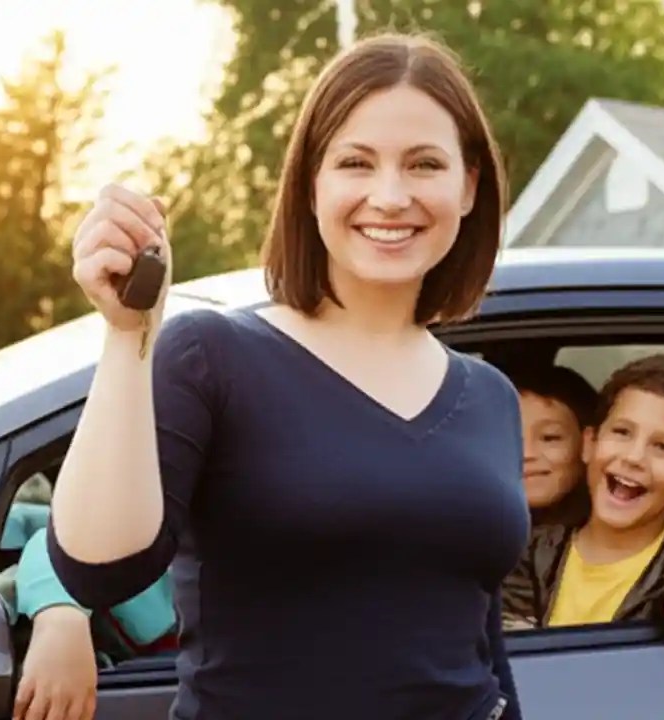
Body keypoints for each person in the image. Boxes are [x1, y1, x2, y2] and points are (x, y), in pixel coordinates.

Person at [34, 32, 531, 720]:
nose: (390, 196)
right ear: (310, 185)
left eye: (424, 164)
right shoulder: (212, 355)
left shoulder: (491, 396)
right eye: (355, 162)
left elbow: (481, 641)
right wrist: (127, 337)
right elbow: (98, 569)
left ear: (469, 187)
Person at [496, 361, 664, 688]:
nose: (633, 457)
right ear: (589, 444)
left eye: (663, 447)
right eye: (622, 433)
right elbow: (508, 642)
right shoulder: (534, 551)